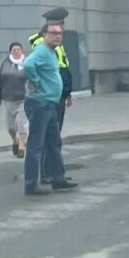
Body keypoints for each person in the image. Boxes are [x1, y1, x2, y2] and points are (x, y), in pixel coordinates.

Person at [22, 22, 78, 196]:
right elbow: (28, 64)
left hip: (50, 103)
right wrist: (37, 83)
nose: (58, 36)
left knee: (54, 143)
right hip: (39, 103)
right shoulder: (41, 49)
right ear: (44, 35)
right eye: (53, 33)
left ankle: (57, 179)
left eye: (60, 33)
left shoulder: (52, 52)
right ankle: (31, 184)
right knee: (36, 144)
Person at [29, 7, 73, 183]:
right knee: (46, 139)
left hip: (57, 95)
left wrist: (67, 92)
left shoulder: (57, 45)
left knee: (53, 138)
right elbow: (31, 66)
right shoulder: (42, 45)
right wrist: (38, 85)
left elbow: (62, 69)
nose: (61, 30)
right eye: (60, 25)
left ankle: (54, 174)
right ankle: (45, 174)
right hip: (46, 98)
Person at [0, 42, 29, 158]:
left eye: (18, 49)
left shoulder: (28, 63)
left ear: (22, 51)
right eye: (14, 50)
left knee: (21, 123)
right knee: (10, 126)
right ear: (10, 52)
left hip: (23, 99)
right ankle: (15, 140)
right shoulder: (4, 63)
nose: (16, 51)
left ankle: (22, 146)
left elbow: (34, 79)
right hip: (7, 98)